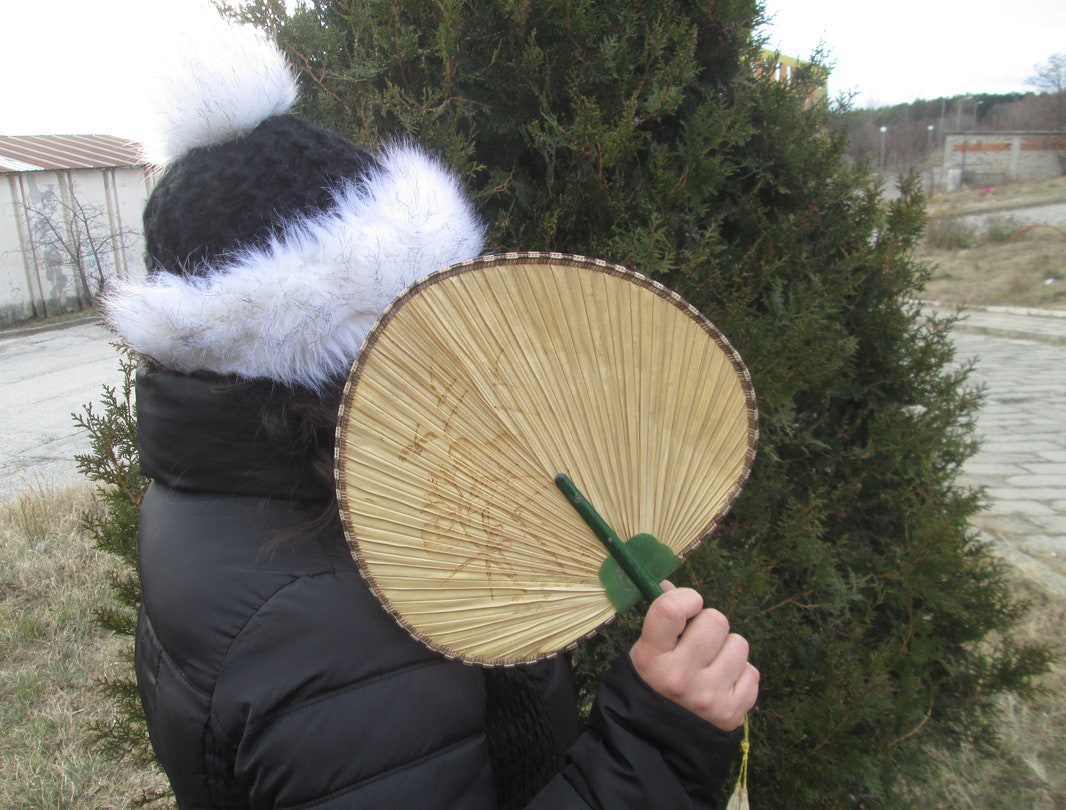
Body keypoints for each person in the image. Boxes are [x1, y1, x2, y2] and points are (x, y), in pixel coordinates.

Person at [104, 22, 757, 810]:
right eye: (420, 312)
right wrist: (661, 737)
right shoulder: (331, 631)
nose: (458, 342)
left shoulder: (227, 497)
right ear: (342, 348)